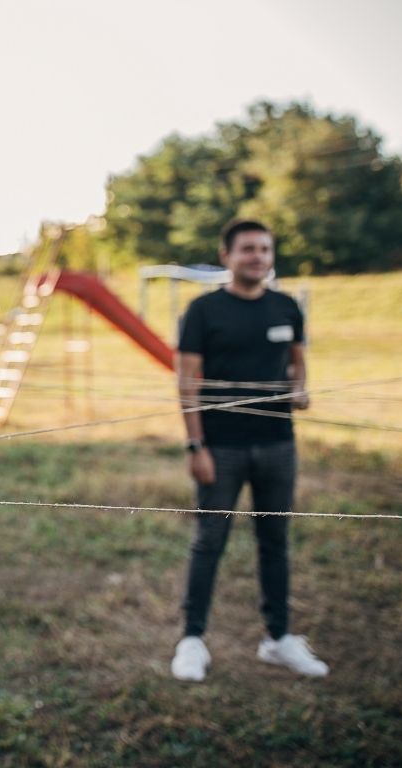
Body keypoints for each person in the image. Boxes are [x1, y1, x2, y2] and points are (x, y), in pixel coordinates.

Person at [169, 218, 329, 683]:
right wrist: (196, 445)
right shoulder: (203, 311)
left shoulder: (286, 307)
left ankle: (278, 639)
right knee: (209, 542)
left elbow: (298, 365)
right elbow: (186, 383)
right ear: (227, 256)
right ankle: (192, 640)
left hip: (279, 445)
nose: (257, 256)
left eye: (264, 249)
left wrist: (300, 390)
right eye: (247, 249)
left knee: (275, 542)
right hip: (221, 448)